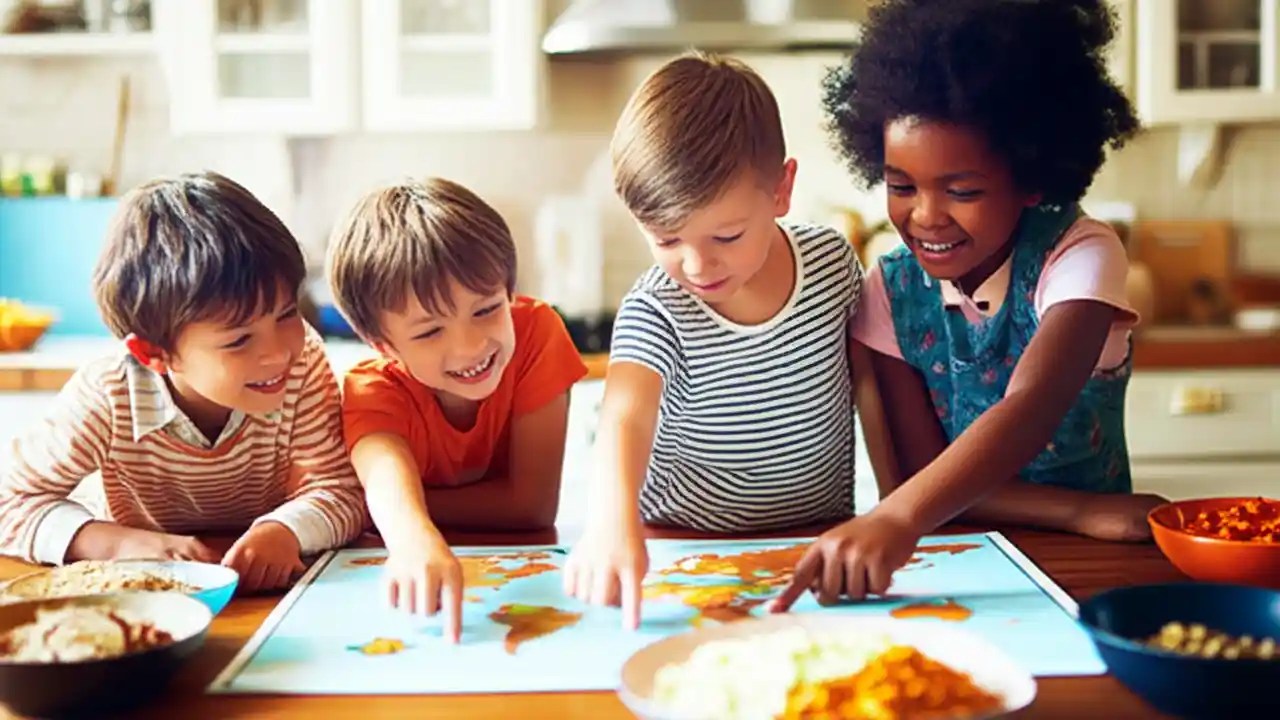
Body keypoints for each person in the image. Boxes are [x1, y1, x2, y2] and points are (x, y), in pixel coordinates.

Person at [774, 0, 1164, 612]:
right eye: (901, 186)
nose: (925, 215)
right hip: (953, 563)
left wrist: (900, 515)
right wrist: (1080, 509)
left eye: (962, 191)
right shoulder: (892, 289)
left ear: (1034, 178)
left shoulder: (1081, 257)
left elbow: (1029, 409)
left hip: (1090, 566)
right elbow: (917, 476)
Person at [563, 52, 895, 628]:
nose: (696, 264)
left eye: (726, 234)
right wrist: (610, 523)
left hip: (816, 543)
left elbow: (868, 385)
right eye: (666, 239)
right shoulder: (655, 308)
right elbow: (624, 417)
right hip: (678, 550)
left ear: (781, 191)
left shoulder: (832, 263)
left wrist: (896, 508)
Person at [0, 171, 367, 593]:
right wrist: (114, 543)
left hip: (259, 585)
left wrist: (286, 530)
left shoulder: (302, 365)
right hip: (147, 591)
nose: (279, 352)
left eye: (286, 314)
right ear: (154, 354)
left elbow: (342, 491)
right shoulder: (108, 394)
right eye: (239, 340)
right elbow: (10, 503)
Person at [328, 178, 586, 642]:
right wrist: (410, 534)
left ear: (509, 291)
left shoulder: (537, 334)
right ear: (383, 344)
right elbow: (390, 497)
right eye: (429, 333)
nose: (470, 347)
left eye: (486, 309)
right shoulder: (371, 390)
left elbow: (532, 507)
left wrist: (400, 513)